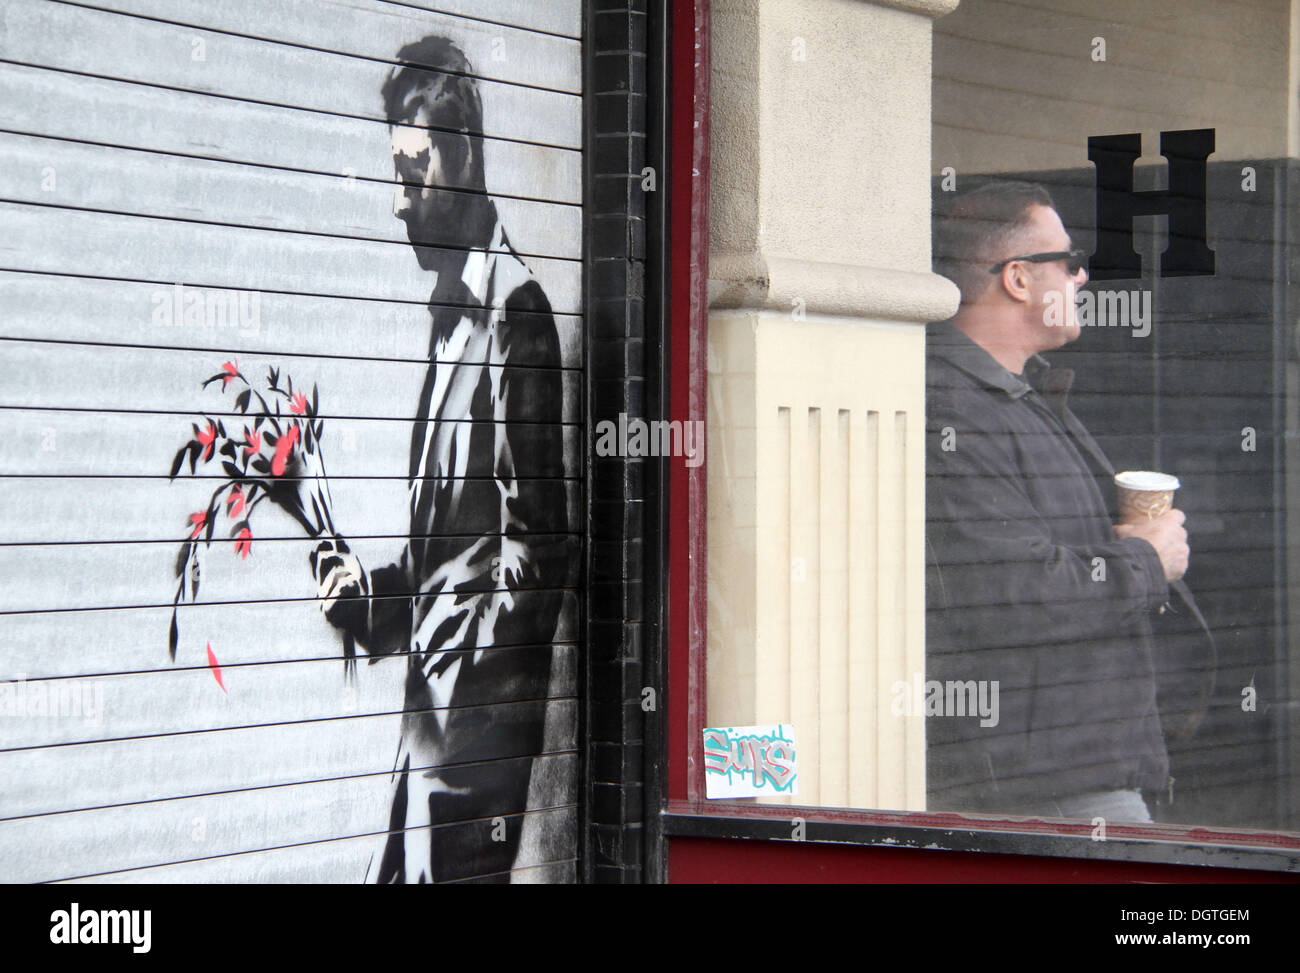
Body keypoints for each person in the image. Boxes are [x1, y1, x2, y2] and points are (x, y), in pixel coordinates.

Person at [308, 35, 572, 882]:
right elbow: (452, 556)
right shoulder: (450, 318)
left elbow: (536, 556)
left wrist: (463, 711)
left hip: (469, 761)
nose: (399, 202)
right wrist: (375, 597)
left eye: (411, 169)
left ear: (462, 159)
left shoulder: (515, 316)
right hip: (430, 748)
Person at [925, 181, 1214, 822]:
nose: (1082, 277)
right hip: (1048, 785)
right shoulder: (954, 410)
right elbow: (1011, 592)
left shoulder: (1019, 396)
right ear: (1019, 279)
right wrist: (1146, 559)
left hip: (1084, 766)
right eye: (1070, 260)